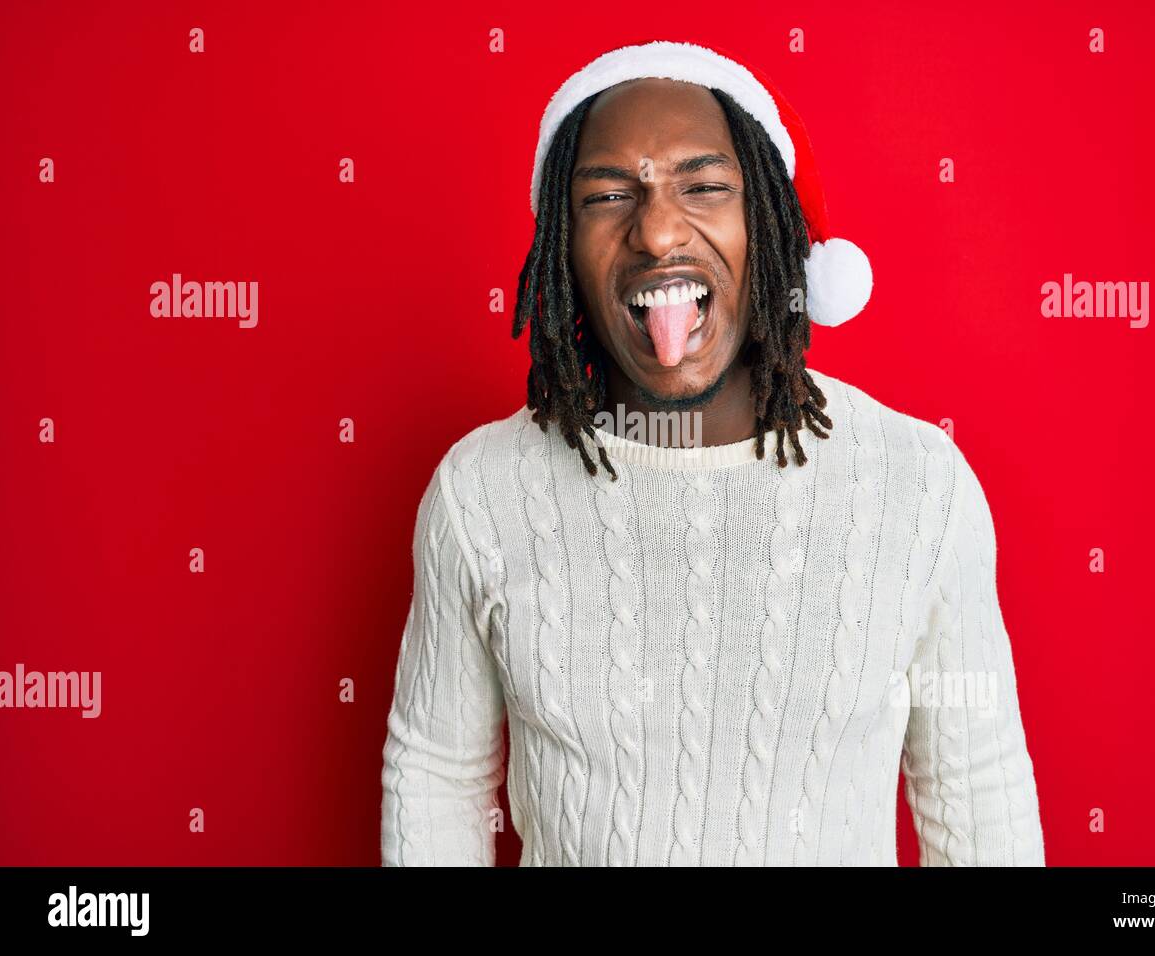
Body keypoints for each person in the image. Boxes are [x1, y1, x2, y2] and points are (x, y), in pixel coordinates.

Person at [380, 39, 1046, 866]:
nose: (657, 232)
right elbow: (437, 773)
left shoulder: (919, 487)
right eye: (609, 194)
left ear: (767, 225)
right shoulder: (479, 493)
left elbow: (976, 788)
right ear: (561, 246)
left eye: (704, 187)